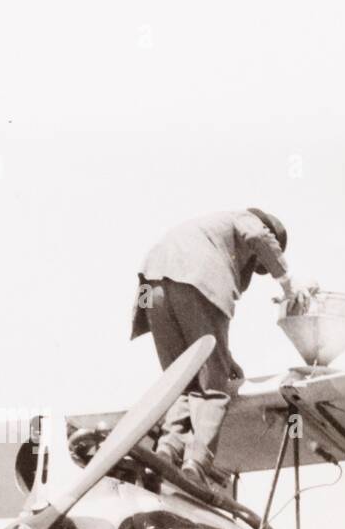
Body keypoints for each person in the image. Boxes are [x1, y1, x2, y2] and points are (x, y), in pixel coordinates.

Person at [131, 208, 310, 486]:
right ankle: (197, 463)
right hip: (197, 279)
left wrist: (226, 359)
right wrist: (288, 284)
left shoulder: (205, 228)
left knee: (180, 382)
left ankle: (166, 451)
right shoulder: (246, 217)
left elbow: (199, 340)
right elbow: (257, 234)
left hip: (152, 285)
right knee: (214, 390)